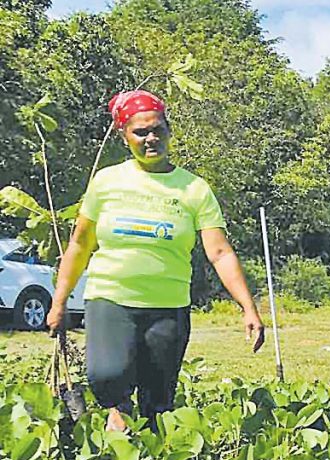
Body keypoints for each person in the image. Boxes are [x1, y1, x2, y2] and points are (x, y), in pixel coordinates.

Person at [46, 89, 264, 432]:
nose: (151, 138)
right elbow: (79, 244)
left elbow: (220, 252)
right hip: (111, 296)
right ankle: (117, 412)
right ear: (124, 136)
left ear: (169, 129)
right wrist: (59, 302)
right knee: (107, 375)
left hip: (169, 305)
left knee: (158, 400)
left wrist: (248, 308)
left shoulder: (193, 189)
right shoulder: (107, 181)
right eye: (140, 132)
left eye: (157, 129)